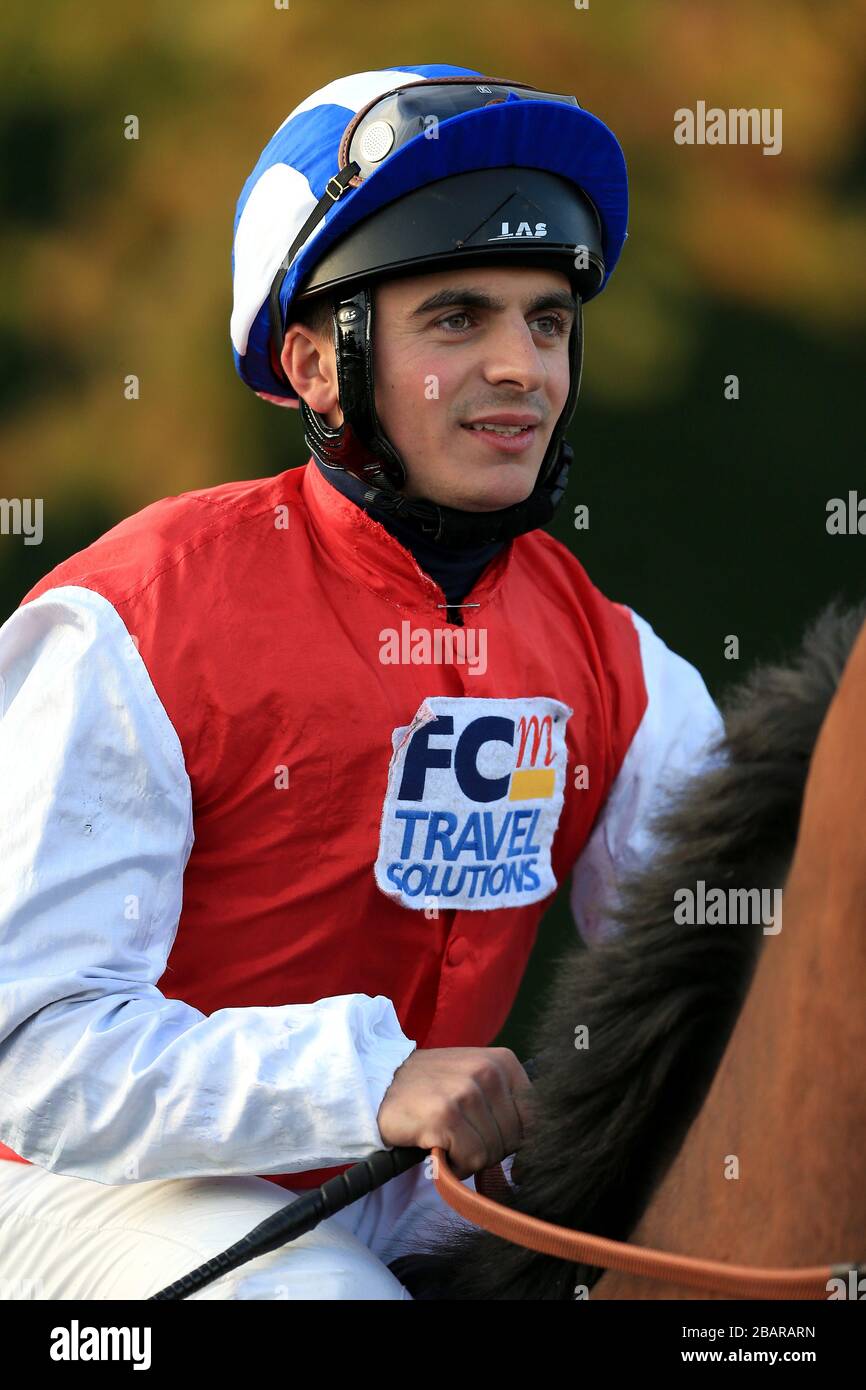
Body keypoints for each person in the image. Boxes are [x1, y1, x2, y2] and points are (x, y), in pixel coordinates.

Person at [0, 63, 723, 1300]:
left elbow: (735, 974)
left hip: (421, 1203)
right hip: (90, 1191)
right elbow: (32, 1049)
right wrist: (365, 1083)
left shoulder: (619, 666)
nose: (521, 370)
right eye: (458, 318)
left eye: (545, 320)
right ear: (319, 365)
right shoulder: (131, 621)